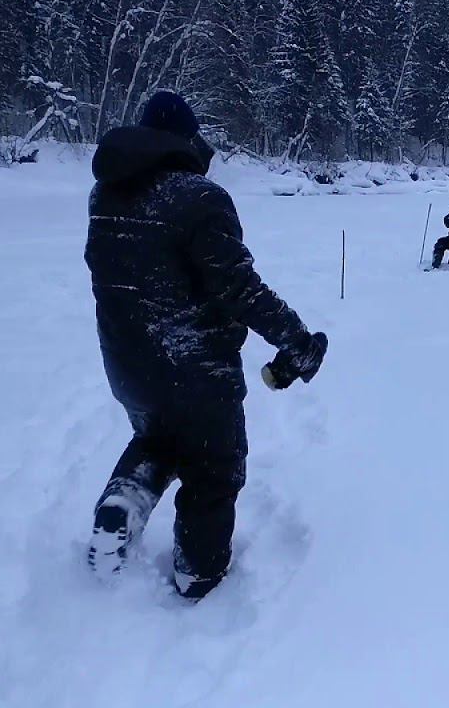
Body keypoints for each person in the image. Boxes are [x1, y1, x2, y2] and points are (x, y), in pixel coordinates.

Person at [85, 90, 328, 601]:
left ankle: (121, 508)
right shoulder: (198, 198)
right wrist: (296, 338)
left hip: (128, 363)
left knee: (158, 438)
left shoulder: (105, 196)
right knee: (214, 468)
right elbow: (238, 288)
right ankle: (199, 574)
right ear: (186, 141)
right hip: (195, 366)